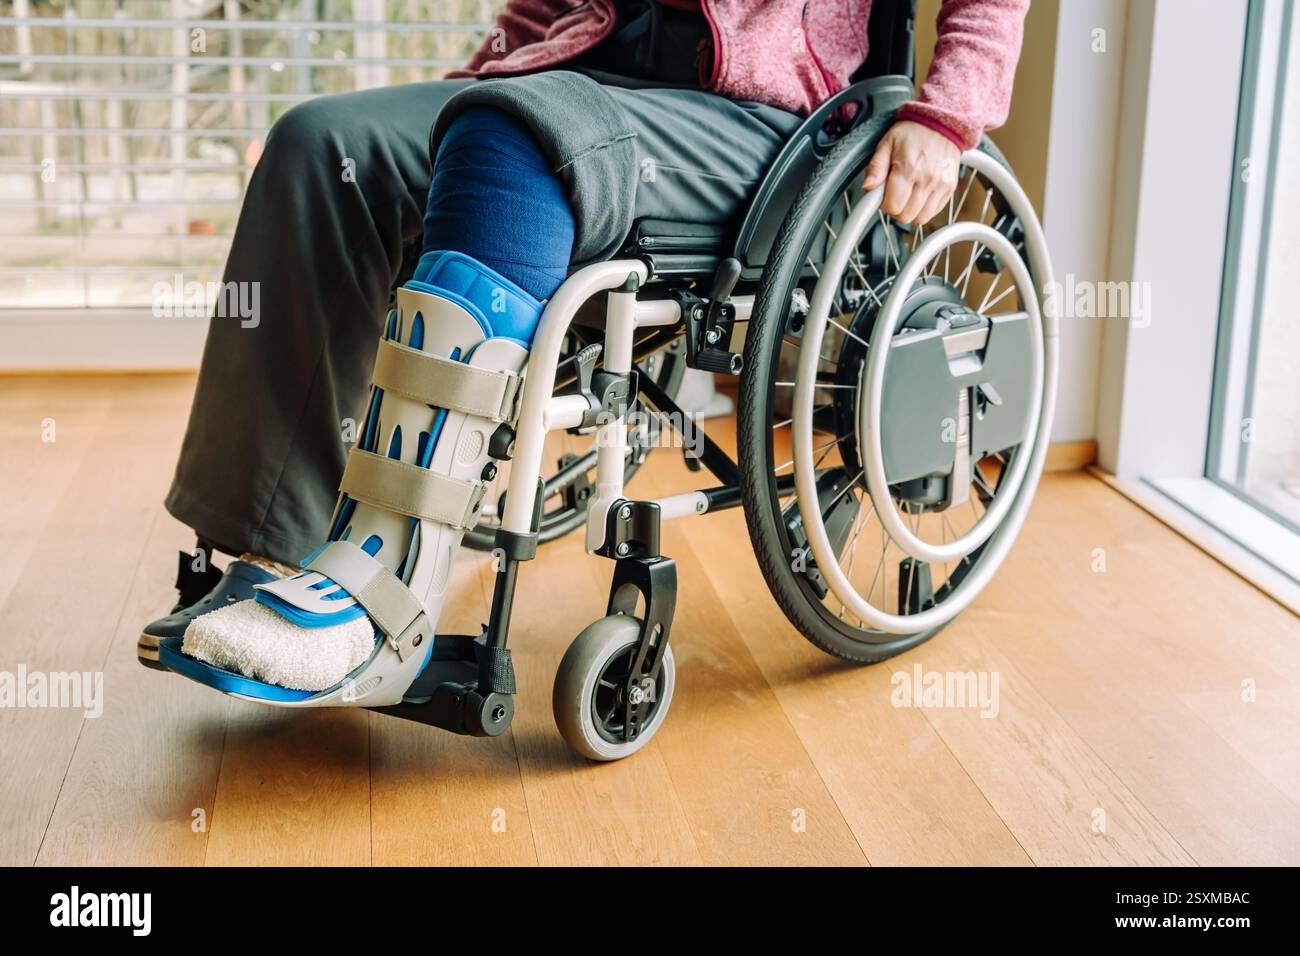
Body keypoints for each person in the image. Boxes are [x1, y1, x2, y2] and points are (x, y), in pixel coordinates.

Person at [140, 0, 1028, 693]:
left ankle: (384, 586)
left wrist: (947, 115)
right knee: (320, 142)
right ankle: (271, 549)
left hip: (766, 121)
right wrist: (471, 94)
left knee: (516, 136)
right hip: (572, 78)